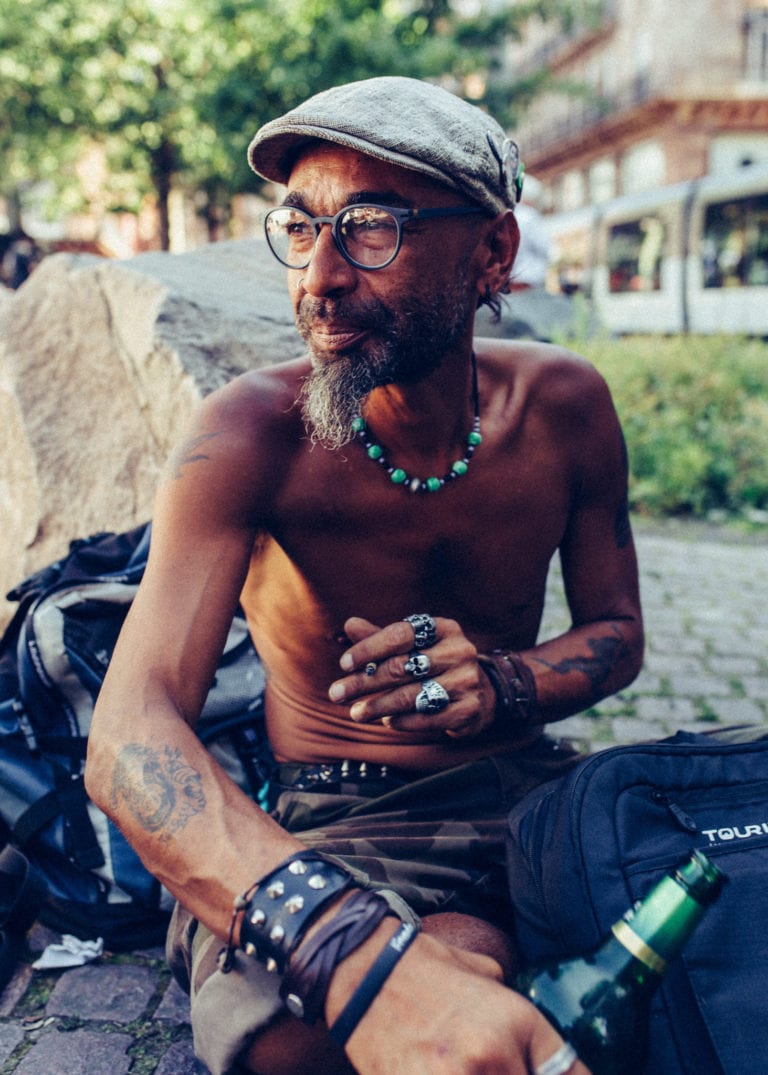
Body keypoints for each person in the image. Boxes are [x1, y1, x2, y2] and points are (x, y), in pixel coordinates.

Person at [85, 76, 643, 1075]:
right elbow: (130, 734)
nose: (320, 276)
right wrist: (350, 948)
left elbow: (618, 634)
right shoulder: (249, 436)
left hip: (539, 798)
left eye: (371, 226)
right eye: (300, 229)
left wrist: (511, 680)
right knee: (301, 1035)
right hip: (346, 821)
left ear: (493, 253)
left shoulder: (566, 407)